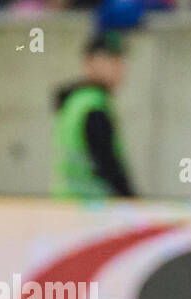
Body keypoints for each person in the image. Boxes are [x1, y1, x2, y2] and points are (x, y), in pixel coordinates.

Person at [52, 31, 135, 199]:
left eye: (120, 59)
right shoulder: (92, 106)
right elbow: (107, 165)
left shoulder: (75, 100)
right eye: (110, 59)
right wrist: (132, 202)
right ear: (89, 62)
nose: (119, 67)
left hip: (68, 205)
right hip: (91, 209)